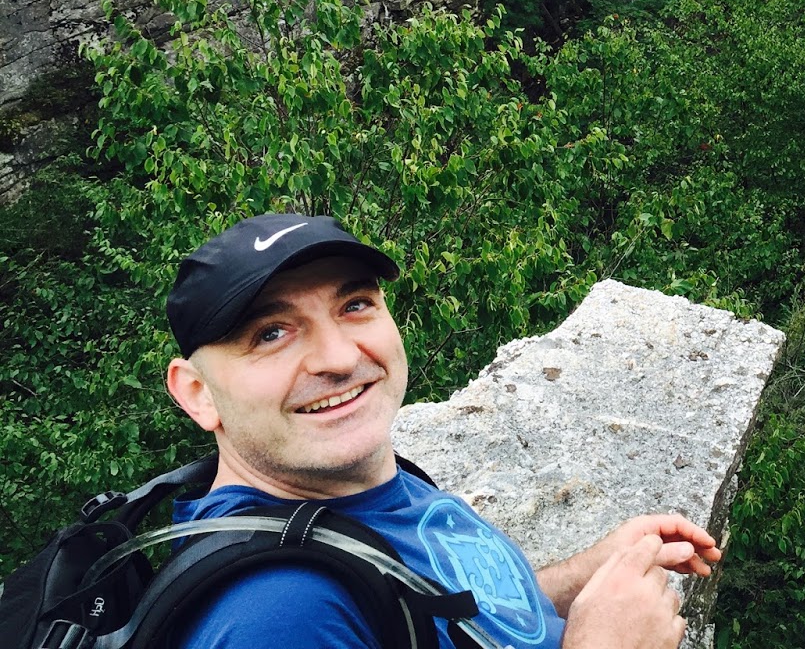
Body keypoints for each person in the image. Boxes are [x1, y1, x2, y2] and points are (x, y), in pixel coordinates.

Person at [163, 213, 720, 649]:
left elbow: (443, 621)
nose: (336, 356)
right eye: (271, 333)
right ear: (198, 393)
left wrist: (578, 579)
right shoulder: (280, 612)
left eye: (355, 304)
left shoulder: (373, 491)